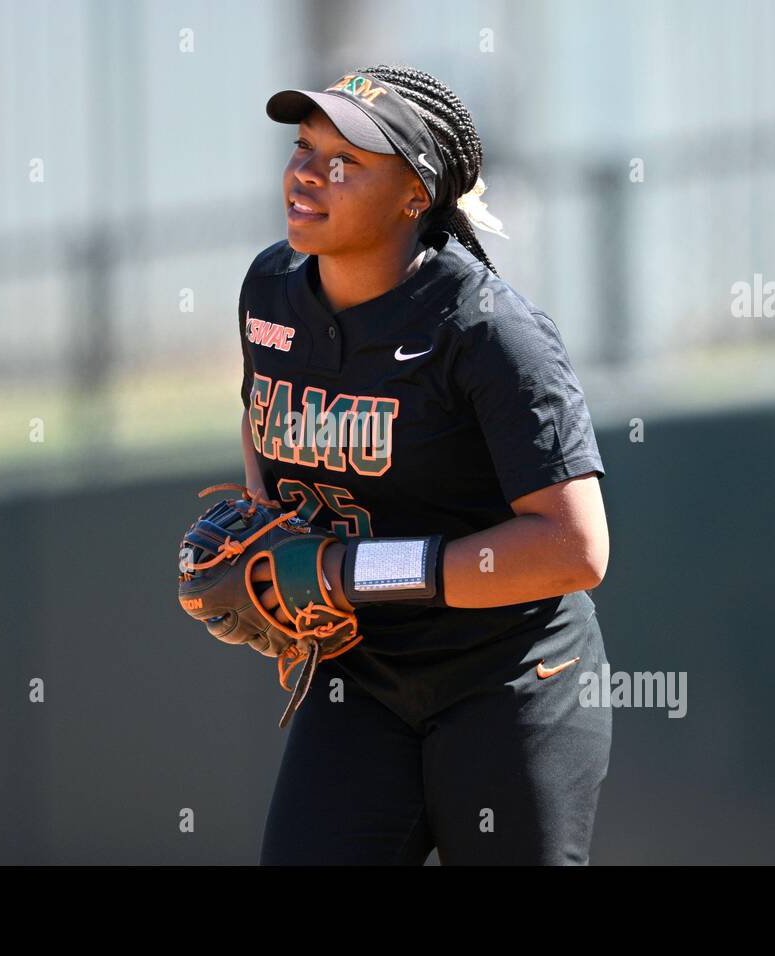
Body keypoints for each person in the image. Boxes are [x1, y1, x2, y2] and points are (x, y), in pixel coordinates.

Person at [237, 65, 612, 865]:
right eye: (305, 146)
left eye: (346, 161)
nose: (307, 171)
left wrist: (346, 571)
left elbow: (575, 550)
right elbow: (259, 415)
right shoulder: (270, 290)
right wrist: (264, 535)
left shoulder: (488, 332)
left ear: (416, 195)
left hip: (510, 683)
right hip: (360, 678)